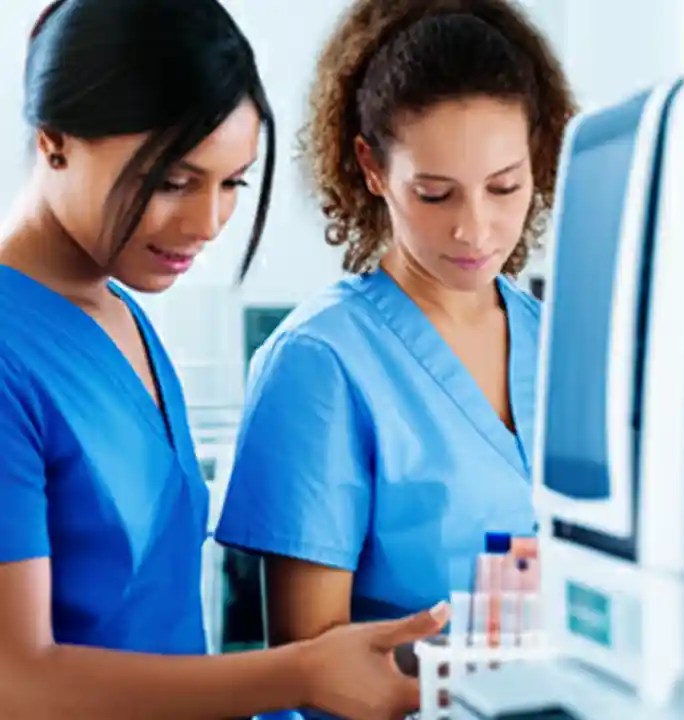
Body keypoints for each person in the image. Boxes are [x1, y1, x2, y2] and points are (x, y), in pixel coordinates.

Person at [0, 2, 447, 718]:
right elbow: (14, 682)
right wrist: (299, 674)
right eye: (174, 180)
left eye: (233, 181)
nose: (207, 222)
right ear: (54, 141)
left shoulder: (121, 316)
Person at [213, 0, 574, 697]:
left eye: (505, 187)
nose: (476, 230)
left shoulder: (558, 344)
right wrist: (492, 697)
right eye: (435, 194)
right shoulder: (321, 363)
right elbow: (315, 669)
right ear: (371, 168)